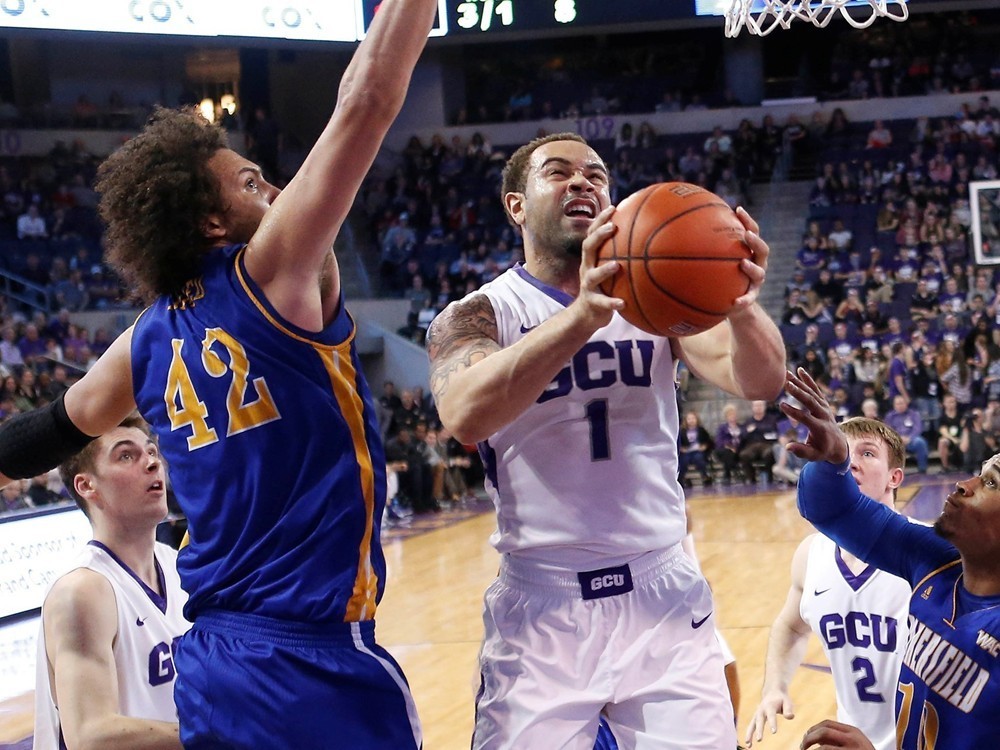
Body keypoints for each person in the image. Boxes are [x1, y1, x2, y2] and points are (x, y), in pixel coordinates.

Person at [0, 2, 438, 747]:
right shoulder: (275, 270)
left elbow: (41, 434)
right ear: (211, 222)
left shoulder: (143, 339)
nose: (276, 194)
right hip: (312, 655)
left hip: (216, 657)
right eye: (252, 184)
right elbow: (367, 99)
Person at [425, 132, 785, 749]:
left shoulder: (650, 303)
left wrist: (744, 306)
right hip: (543, 604)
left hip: (661, 591)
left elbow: (759, 377)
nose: (582, 183)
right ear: (516, 205)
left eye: (596, 174)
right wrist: (584, 315)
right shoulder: (478, 314)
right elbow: (464, 411)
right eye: (558, 172)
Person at [784, 368, 1000, 749]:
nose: (963, 485)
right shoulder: (934, 557)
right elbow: (828, 508)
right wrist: (833, 460)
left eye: (990, 483)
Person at [744, 417, 911, 750]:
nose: (851, 463)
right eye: (844, 454)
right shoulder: (811, 554)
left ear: (895, 477)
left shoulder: (927, 552)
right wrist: (774, 687)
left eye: (867, 454)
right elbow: (790, 628)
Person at [34, 416, 188, 750]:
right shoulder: (83, 590)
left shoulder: (178, 565)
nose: (152, 463)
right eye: (126, 456)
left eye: (151, 451)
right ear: (87, 486)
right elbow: (90, 736)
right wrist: (217, 734)